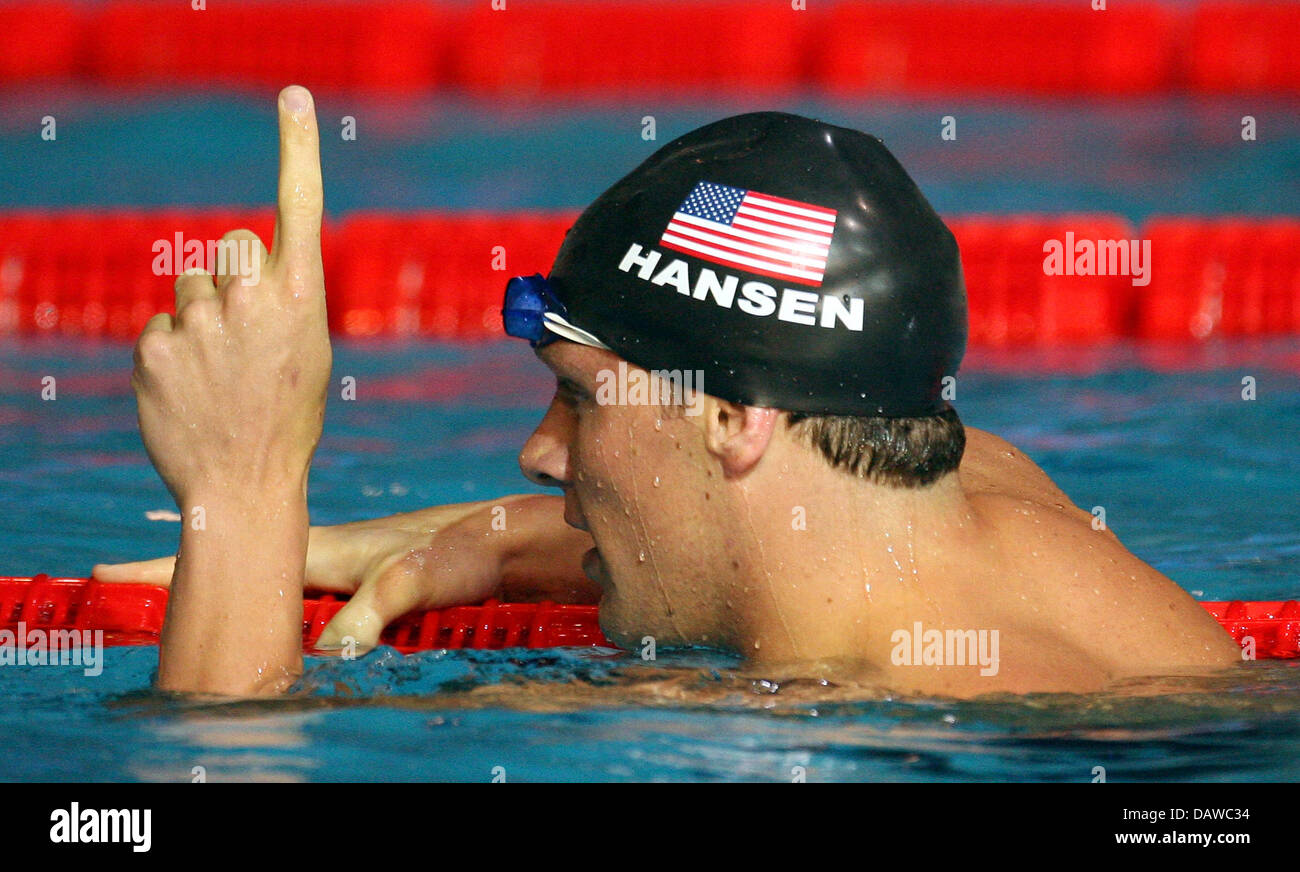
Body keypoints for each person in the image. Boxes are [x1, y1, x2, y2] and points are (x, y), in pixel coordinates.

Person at [95, 86, 1240, 698]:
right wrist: (499, 539)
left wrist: (241, 485)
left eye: (581, 398)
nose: (539, 456)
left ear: (735, 417)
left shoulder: (863, 725)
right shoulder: (978, 487)